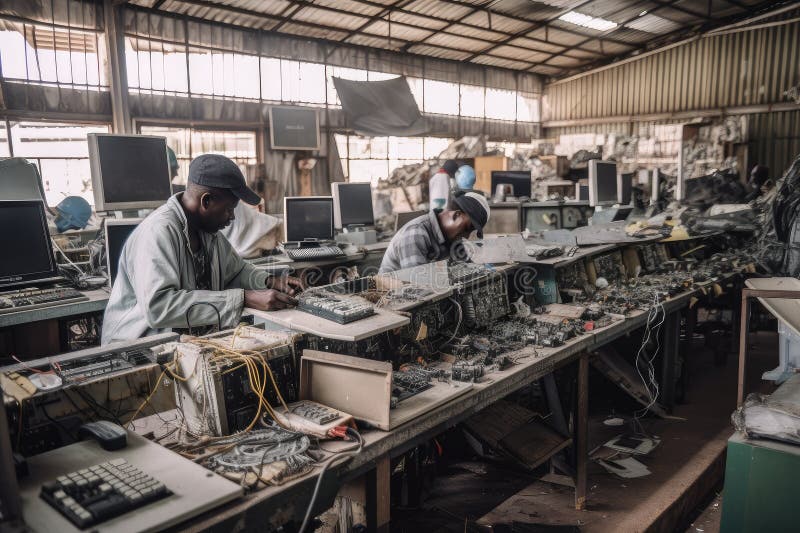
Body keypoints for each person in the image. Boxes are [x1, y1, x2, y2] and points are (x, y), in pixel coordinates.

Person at [102, 154, 302, 344]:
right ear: (206, 201)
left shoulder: (208, 231)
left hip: (184, 340)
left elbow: (237, 270)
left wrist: (269, 281)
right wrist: (244, 298)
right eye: (229, 209)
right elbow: (159, 306)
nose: (232, 217)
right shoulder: (158, 232)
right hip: (140, 346)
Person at [379, 191, 490, 273]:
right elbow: (417, 283)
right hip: (389, 297)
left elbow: (466, 269)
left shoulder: (451, 238)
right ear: (455, 215)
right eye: (467, 228)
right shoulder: (416, 233)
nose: (466, 235)